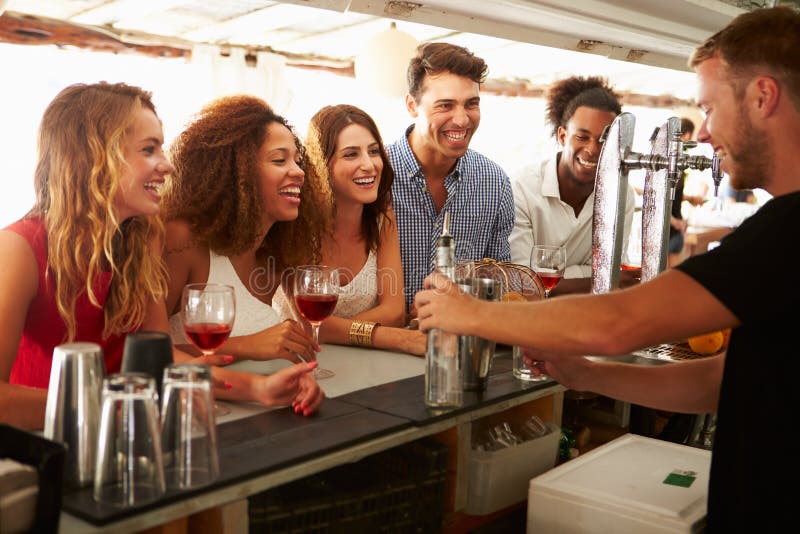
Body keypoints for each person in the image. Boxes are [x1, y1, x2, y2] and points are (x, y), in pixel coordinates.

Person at [416, 6, 800, 530]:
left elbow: (620, 320)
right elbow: (722, 381)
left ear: (762, 97)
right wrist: (589, 373)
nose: (704, 134)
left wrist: (465, 313)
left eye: (709, 108)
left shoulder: (787, 231)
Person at [0, 84, 321, 431]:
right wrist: (117, 407)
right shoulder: (18, 250)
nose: (167, 166)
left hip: (121, 436)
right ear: (95, 157)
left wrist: (258, 388)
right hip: (40, 452)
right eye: (149, 150)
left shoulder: (140, 240)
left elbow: (161, 360)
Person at [161, 95, 328, 415]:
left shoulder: (275, 252)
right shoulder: (183, 240)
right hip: (194, 417)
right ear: (235, 171)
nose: (298, 172)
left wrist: (296, 379)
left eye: (297, 160)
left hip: (261, 416)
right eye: (280, 160)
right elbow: (149, 350)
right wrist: (247, 345)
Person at [273, 104, 426, 355]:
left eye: (374, 151)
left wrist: (339, 330)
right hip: (296, 361)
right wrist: (393, 337)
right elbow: (309, 324)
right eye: (351, 154)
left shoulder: (382, 217)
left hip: (361, 363)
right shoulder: (295, 224)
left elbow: (395, 312)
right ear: (322, 165)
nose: (369, 165)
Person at [387, 42, 514, 315]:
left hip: (460, 346)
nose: (461, 119)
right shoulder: (375, 175)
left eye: (471, 104)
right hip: (379, 346)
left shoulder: (495, 183)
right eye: (445, 105)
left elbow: (500, 284)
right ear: (412, 105)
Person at [509, 76, 635, 293]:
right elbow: (523, 283)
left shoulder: (621, 194)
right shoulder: (522, 187)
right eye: (582, 137)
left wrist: (552, 276)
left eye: (604, 140)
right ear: (562, 136)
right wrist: (593, 276)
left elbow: (611, 268)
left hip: (587, 314)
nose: (593, 149)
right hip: (527, 317)